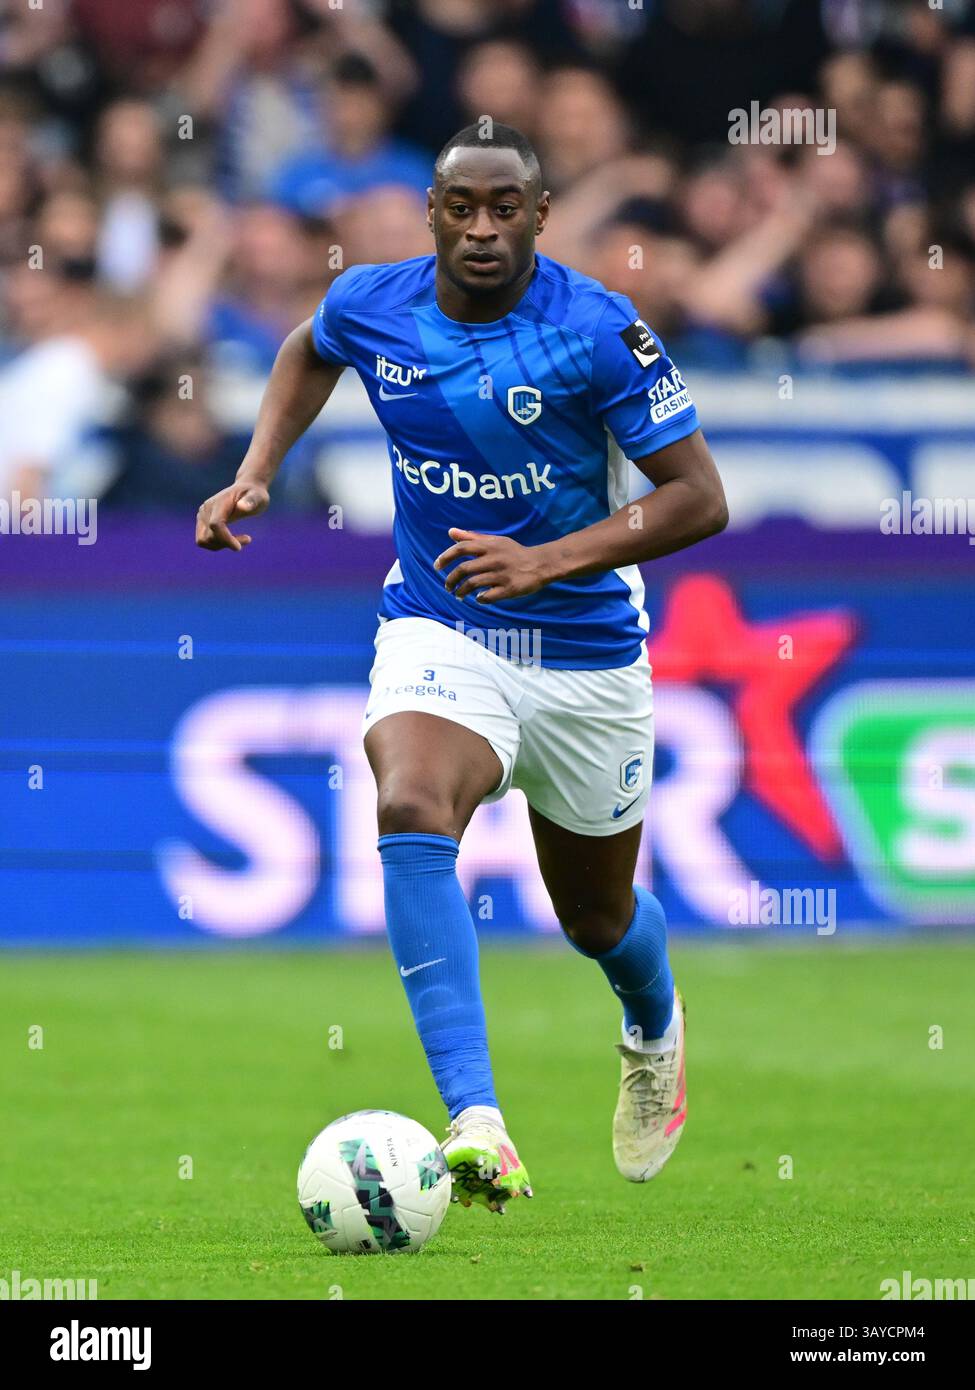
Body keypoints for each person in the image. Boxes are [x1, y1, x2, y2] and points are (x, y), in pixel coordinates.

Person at [195, 124, 728, 1213]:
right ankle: (476, 1117)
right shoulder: (373, 303)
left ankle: (653, 1024)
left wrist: (550, 558)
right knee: (410, 799)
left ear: (540, 216)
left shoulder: (596, 331)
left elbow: (698, 497)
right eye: (460, 208)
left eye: (504, 209)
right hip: (445, 625)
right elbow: (308, 346)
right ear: (429, 213)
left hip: (583, 651)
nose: (481, 229)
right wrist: (257, 471)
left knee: (595, 918)